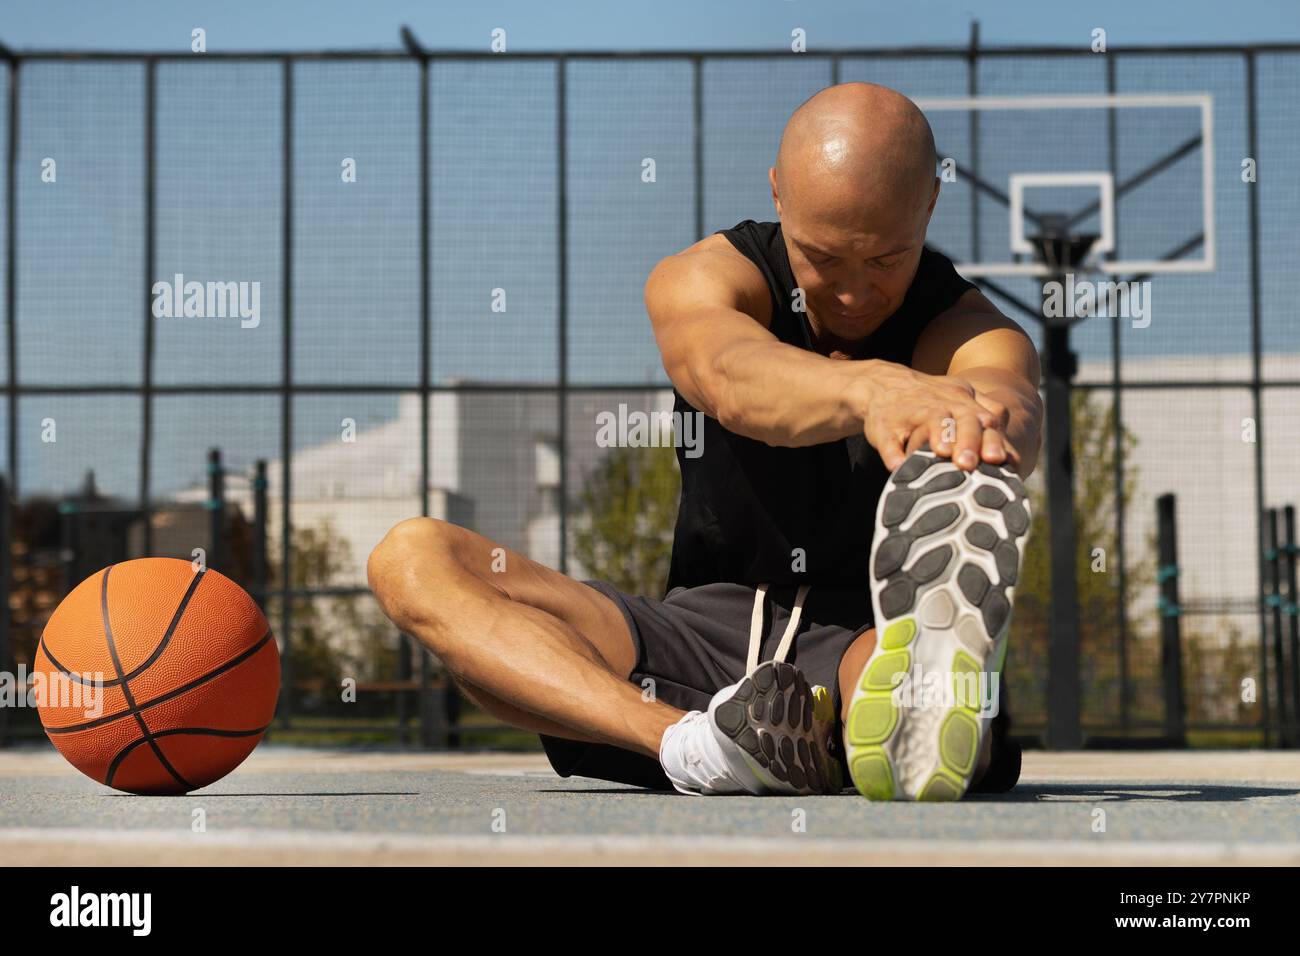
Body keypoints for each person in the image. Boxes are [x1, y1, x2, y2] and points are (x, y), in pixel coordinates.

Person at [368, 82, 1043, 800]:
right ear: (779, 194)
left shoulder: (966, 325)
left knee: (904, 673)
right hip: (694, 632)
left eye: (883, 261)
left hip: (864, 636)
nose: (850, 291)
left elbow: (1003, 392)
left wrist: (982, 425)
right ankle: (690, 745)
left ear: (929, 206)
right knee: (413, 557)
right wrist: (875, 391)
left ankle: (887, 710)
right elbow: (726, 374)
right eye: (823, 259)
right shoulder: (704, 277)